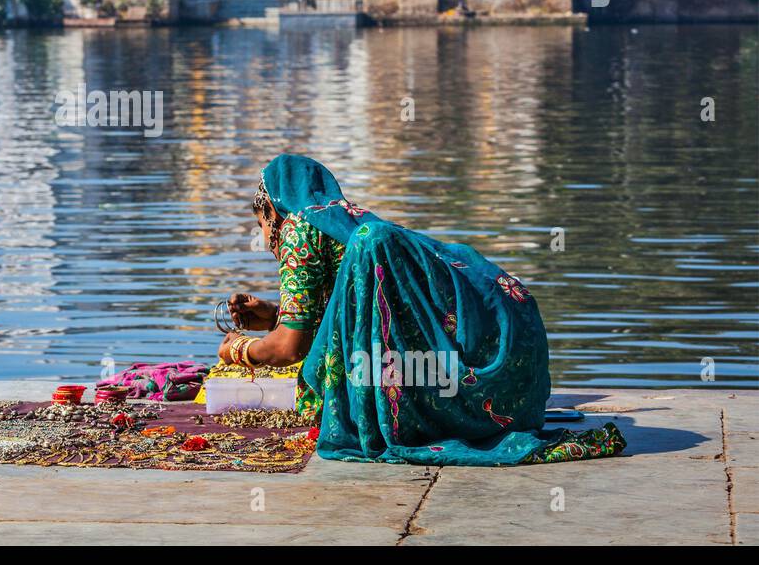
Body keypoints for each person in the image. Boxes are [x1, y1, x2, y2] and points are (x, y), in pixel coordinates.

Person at [219, 154, 626, 465]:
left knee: (322, 395)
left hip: (481, 388)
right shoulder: (343, 222)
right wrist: (274, 315)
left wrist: (238, 348)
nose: (266, 239)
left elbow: (290, 348)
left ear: (271, 211)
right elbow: (361, 317)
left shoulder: (297, 229)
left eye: (261, 227)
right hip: (518, 383)